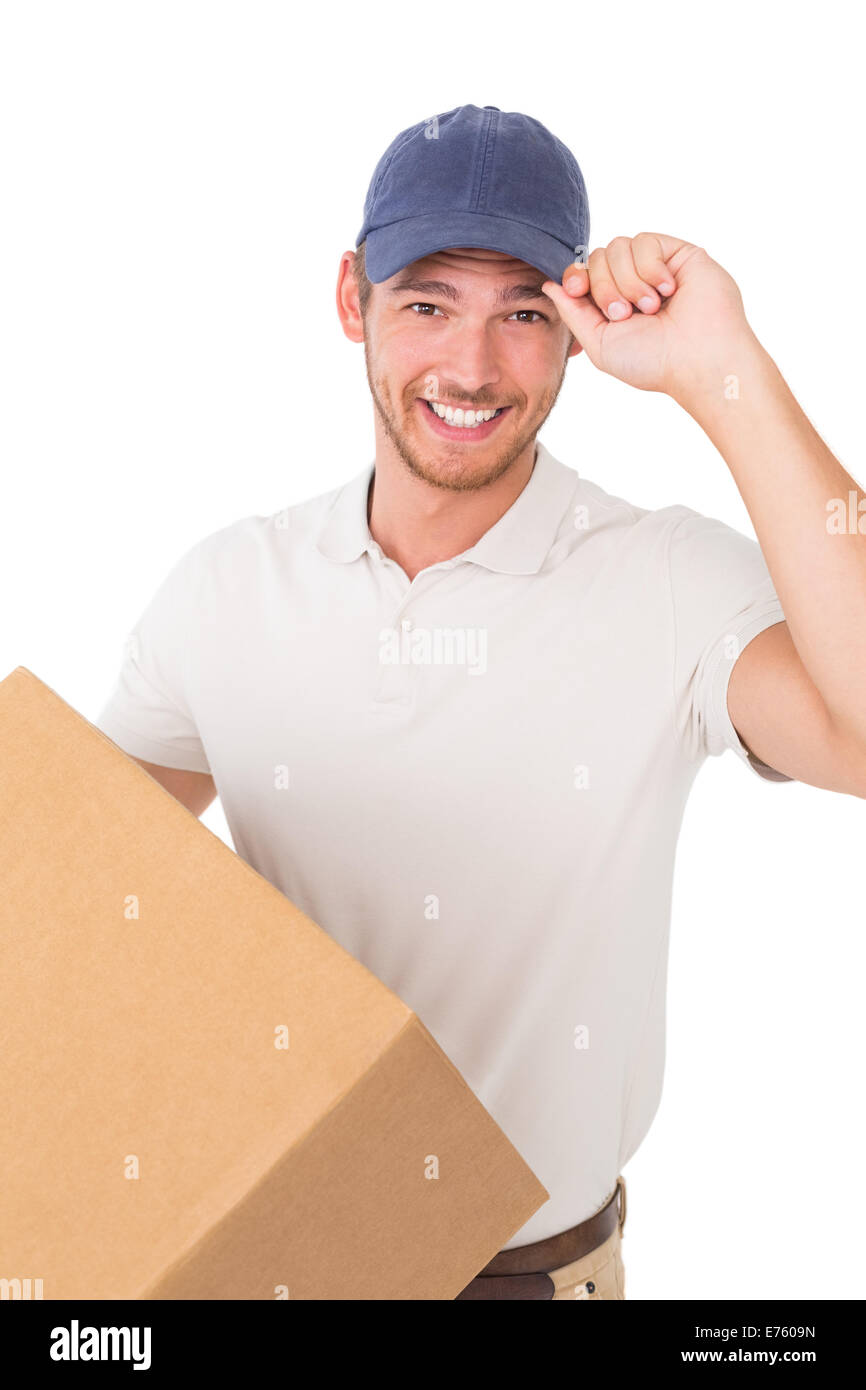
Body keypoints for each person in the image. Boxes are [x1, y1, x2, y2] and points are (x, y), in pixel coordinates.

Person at [95, 105, 866, 1300]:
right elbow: (65, 890)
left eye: (521, 312)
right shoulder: (224, 589)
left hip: (534, 1279)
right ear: (351, 299)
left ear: (576, 335)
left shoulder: (663, 578)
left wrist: (723, 369)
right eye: (425, 303)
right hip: (259, 1265)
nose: (469, 367)